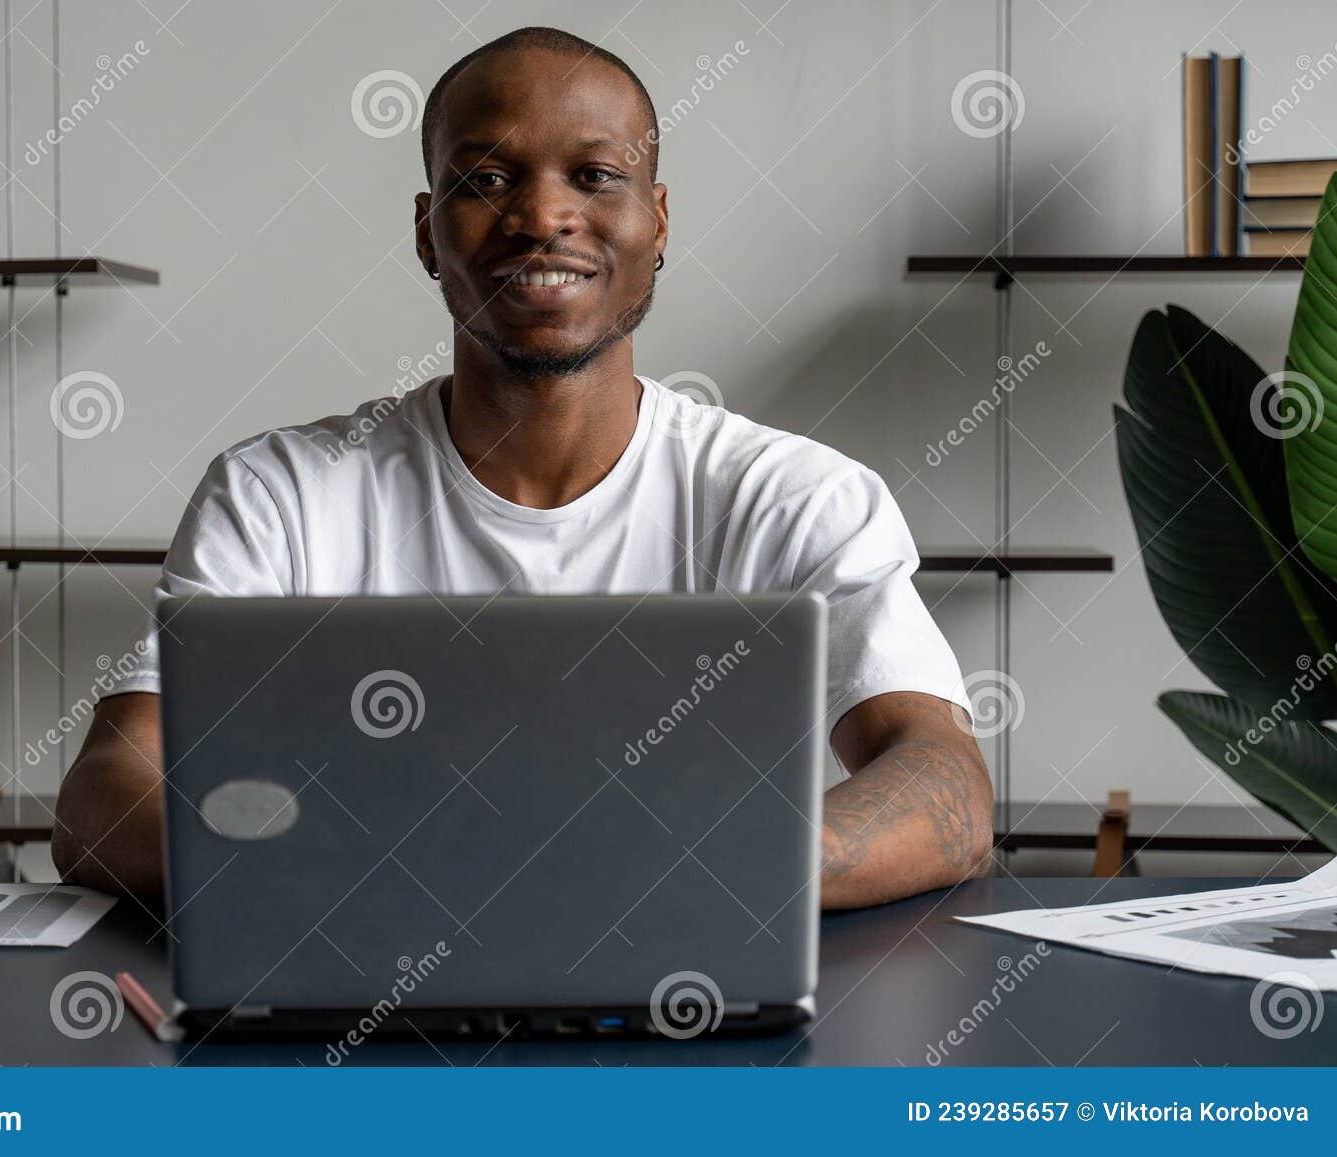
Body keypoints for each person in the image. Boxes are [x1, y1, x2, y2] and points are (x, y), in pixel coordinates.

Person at [52, 26, 992, 910]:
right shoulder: (284, 496)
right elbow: (107, 790)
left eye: (595, 175)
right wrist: (346, 880)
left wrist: (687, 871)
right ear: (428, 231)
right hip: (365, 1005)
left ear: (656, 222)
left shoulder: (793, 499)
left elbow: (945, 783)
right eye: (488, 177)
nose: (543, 214)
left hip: (689, 994)